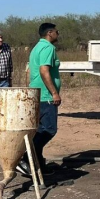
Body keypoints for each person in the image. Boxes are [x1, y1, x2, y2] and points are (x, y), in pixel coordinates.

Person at [20, 23, 62, 176]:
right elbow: (44, 70)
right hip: (45, 95)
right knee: (49, 129)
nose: (58, 34)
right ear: (49, 33)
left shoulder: (37, 47)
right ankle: (25, 158)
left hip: (37, 92)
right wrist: (54, 93)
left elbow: (30, 70)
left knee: (40, 129)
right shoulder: (48, 48)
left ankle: (36, 164)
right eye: (57, 31)